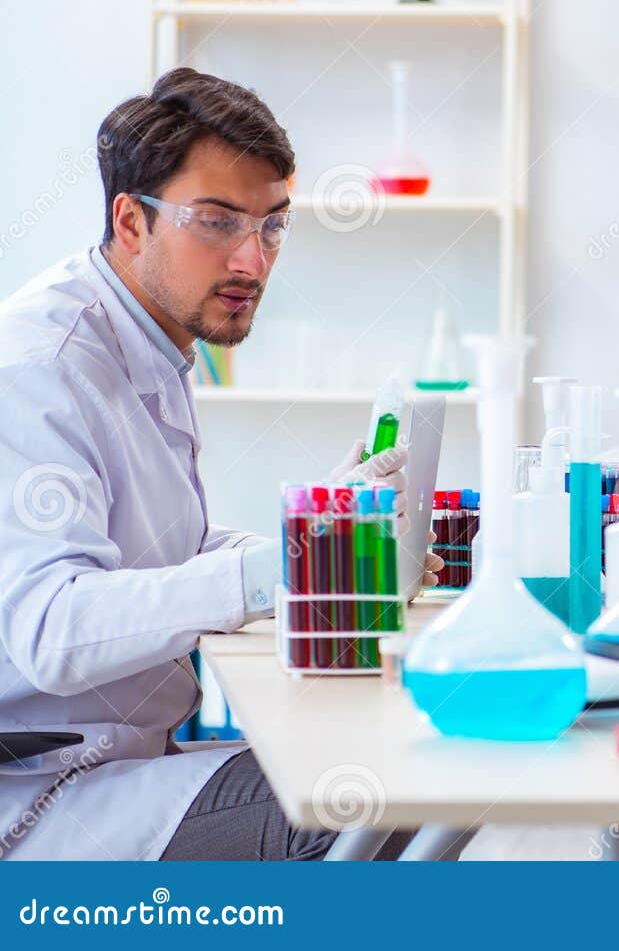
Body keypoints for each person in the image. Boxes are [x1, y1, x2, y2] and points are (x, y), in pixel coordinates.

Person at [0, 69, 440, 861]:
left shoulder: (148, 342)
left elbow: (162, 550)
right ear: (130, 221)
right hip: (43, 793)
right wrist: (281, 571)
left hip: (122, 760)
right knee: (355, 792)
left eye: (273, 225)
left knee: (393, 771)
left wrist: (323, 531)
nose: (253, 259)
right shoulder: (42, 368)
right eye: (217, 222)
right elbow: (49, 628)